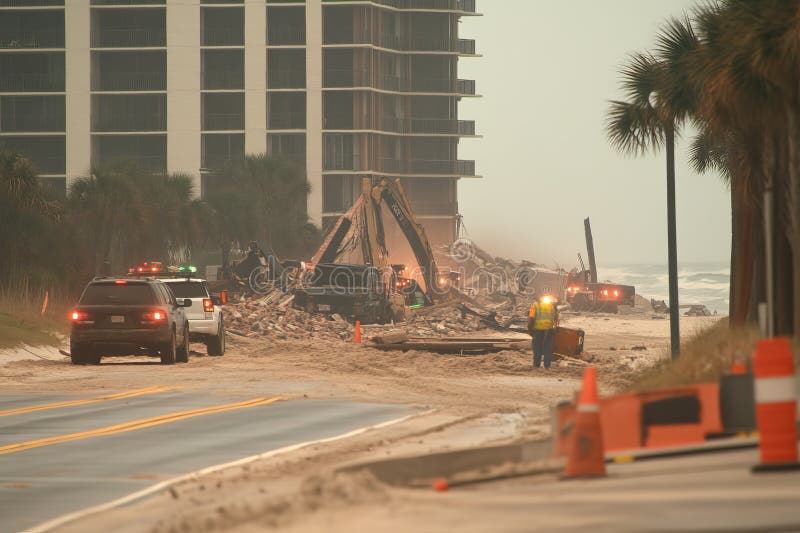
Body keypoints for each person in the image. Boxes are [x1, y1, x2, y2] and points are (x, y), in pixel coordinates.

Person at [528, 294, 559, 369]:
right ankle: (547, 366)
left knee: (537, 348)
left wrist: (530, 329)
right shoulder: (551, 306)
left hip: (538, 330)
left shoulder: (535, 305)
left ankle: (536, 365)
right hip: (549, 330)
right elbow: (556, 317)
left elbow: (531, 318)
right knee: (547, 349)